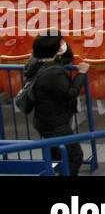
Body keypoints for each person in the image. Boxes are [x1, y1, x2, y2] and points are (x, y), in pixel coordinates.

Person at [22, 35, 88, 176]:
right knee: (74, 156)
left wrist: (59, 41)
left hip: (44, 119)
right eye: (60, 44)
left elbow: (67, 57)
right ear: (55, 51)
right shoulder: (53, 73)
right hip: (55, 123)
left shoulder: (36, 64)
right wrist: (81, 73)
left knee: (56, 155)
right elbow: (70, 92)